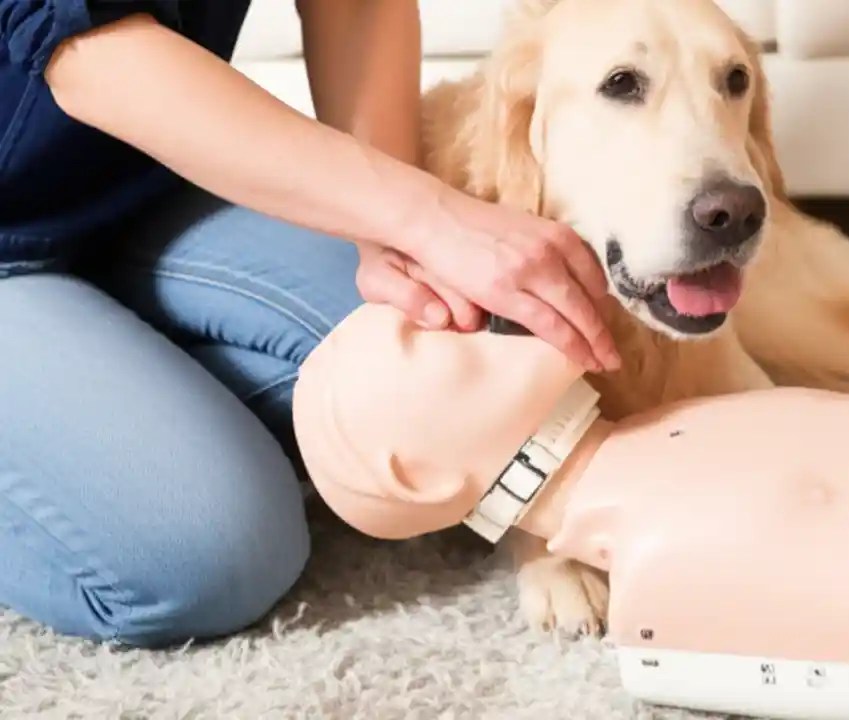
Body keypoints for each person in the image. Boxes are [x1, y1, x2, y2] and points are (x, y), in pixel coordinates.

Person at [0, 1, 621, 649]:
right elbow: (88, 48)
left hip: (141, 177)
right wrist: (423, 214)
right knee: (213, 552)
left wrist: (386, 235)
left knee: (450, 360)